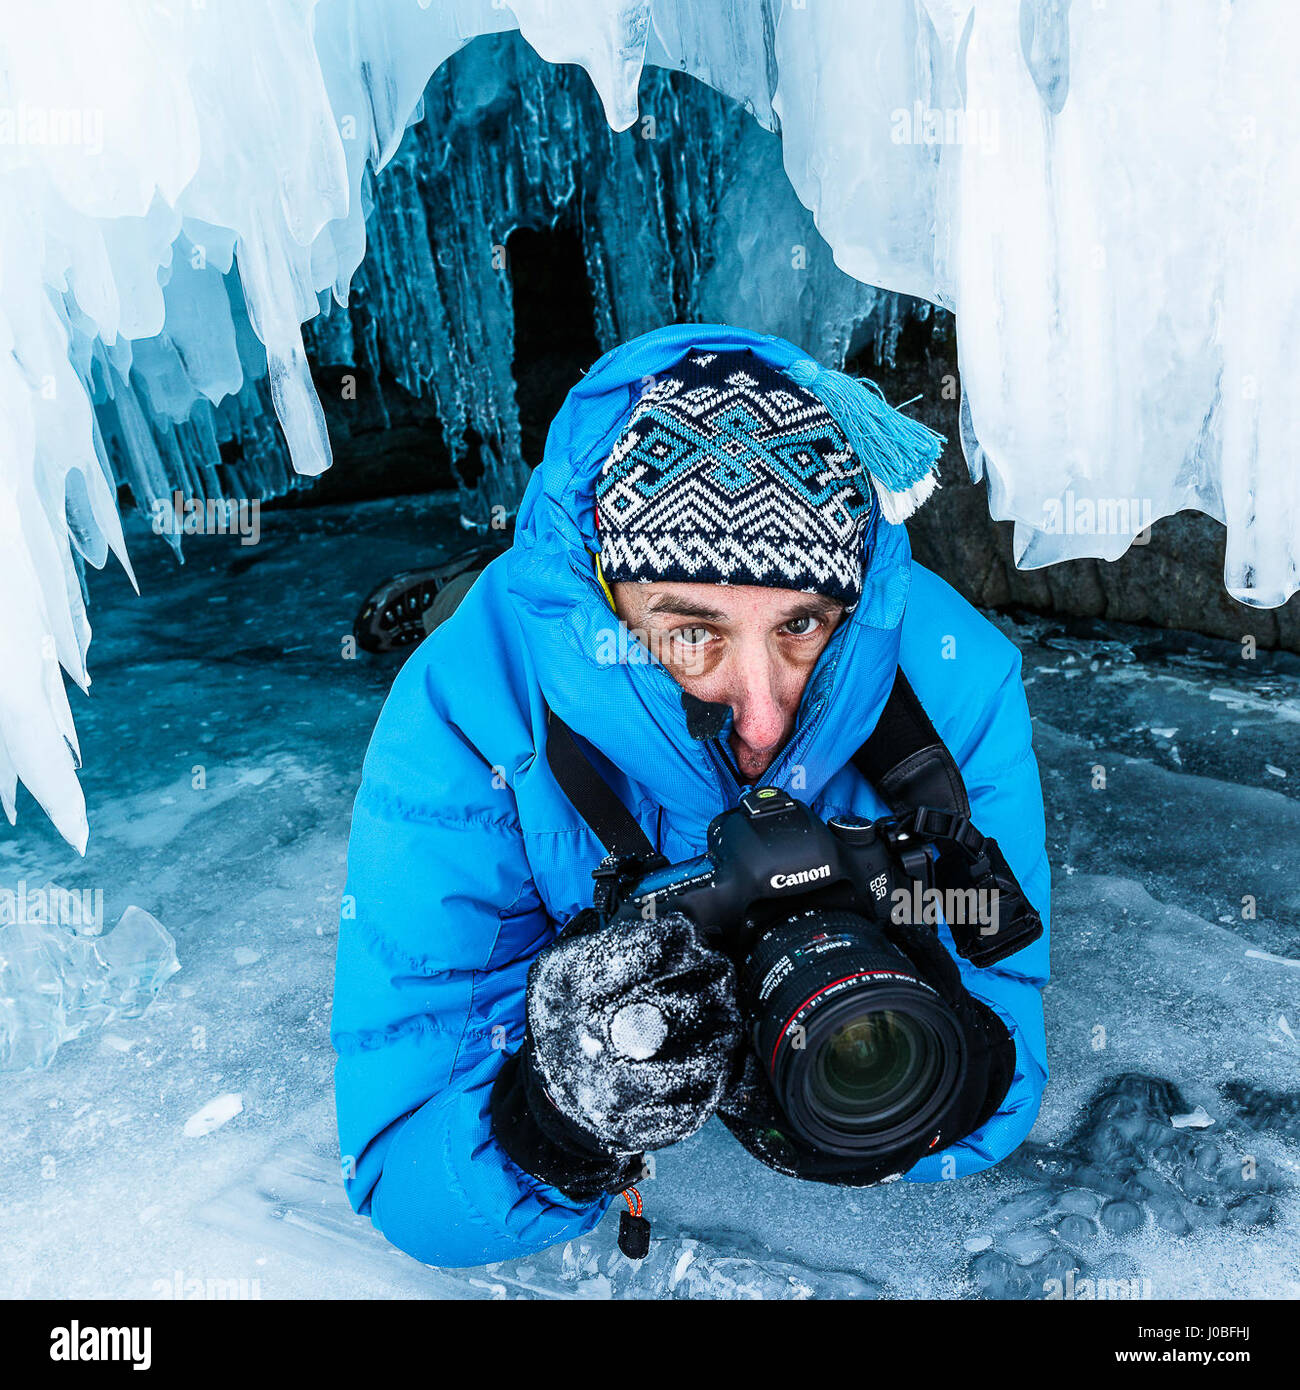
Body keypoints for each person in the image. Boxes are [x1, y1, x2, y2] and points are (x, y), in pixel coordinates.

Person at [330, 325, 1051, 1269]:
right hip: (526, 651)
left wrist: (950, 1032)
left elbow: (1004, 1067)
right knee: (500, 610)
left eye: (802, 625)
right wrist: (553, 1122)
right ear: (608, 592)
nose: (762, 721)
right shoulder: (463, 715)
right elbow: (406, 1176)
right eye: (690, 633)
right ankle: (462, 579)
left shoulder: (956, 684)